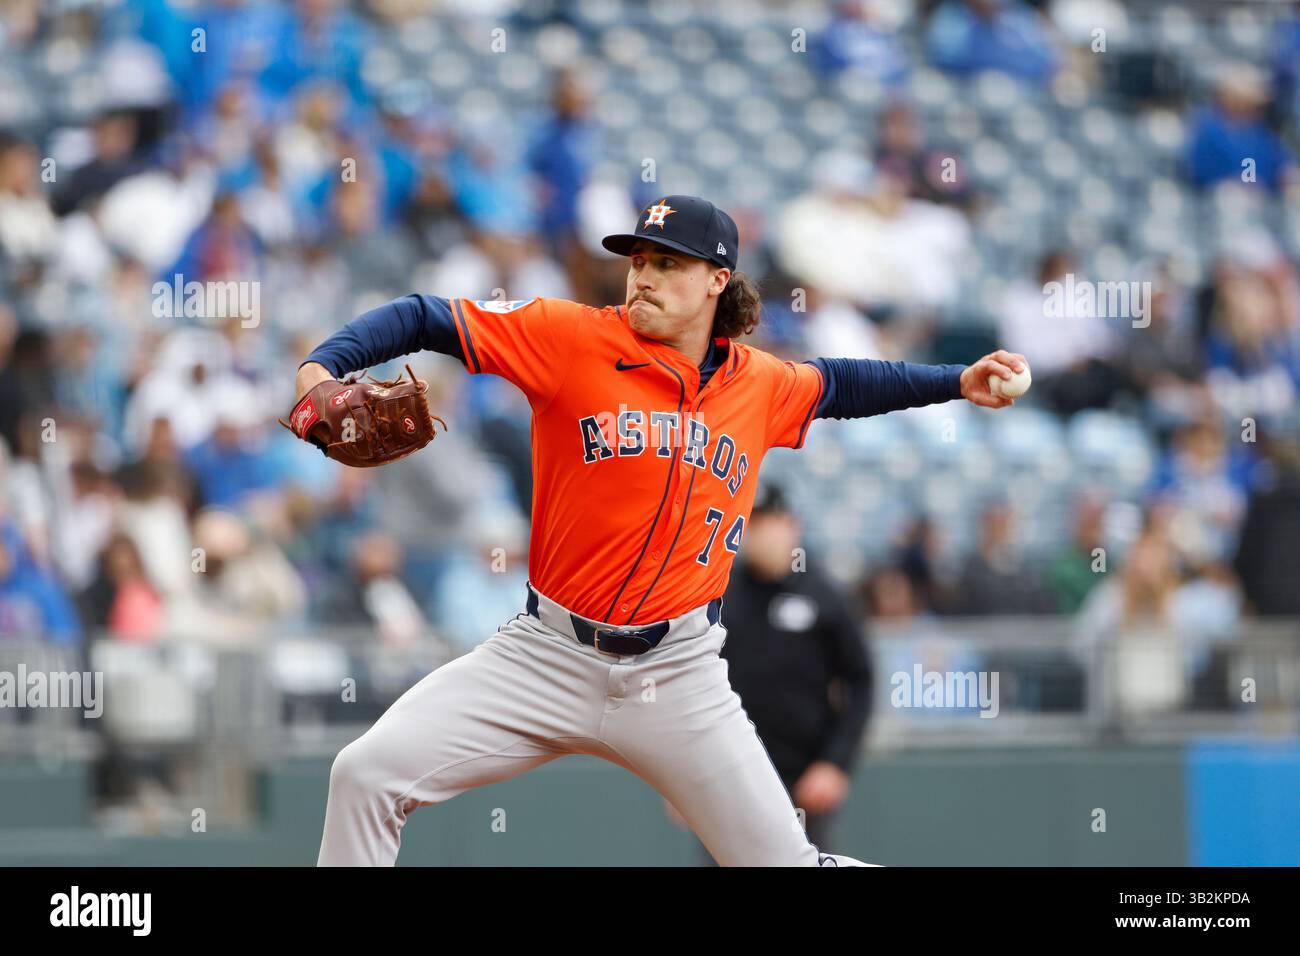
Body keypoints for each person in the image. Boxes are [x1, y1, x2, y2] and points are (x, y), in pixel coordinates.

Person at [289, 194, 1025, 866]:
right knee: (365, 776)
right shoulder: (568, 338)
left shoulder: (760, 385)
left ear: (716, 280)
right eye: (637, 260)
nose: (642, 276)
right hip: (544, 654)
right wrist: (322, 367)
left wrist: (955, 380)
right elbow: (425, 316)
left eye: (667, 264)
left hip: (679, 676)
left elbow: (844, 384)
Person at [716, 483, 872, 851]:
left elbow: (860, 681)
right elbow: (688, 679)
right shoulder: (721, 595)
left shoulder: (823, 595)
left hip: (803, 779)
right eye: (753, 523)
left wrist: (835, 764)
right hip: (728, 779)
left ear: (792, 525)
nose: (762, 534)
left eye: (770, 521)